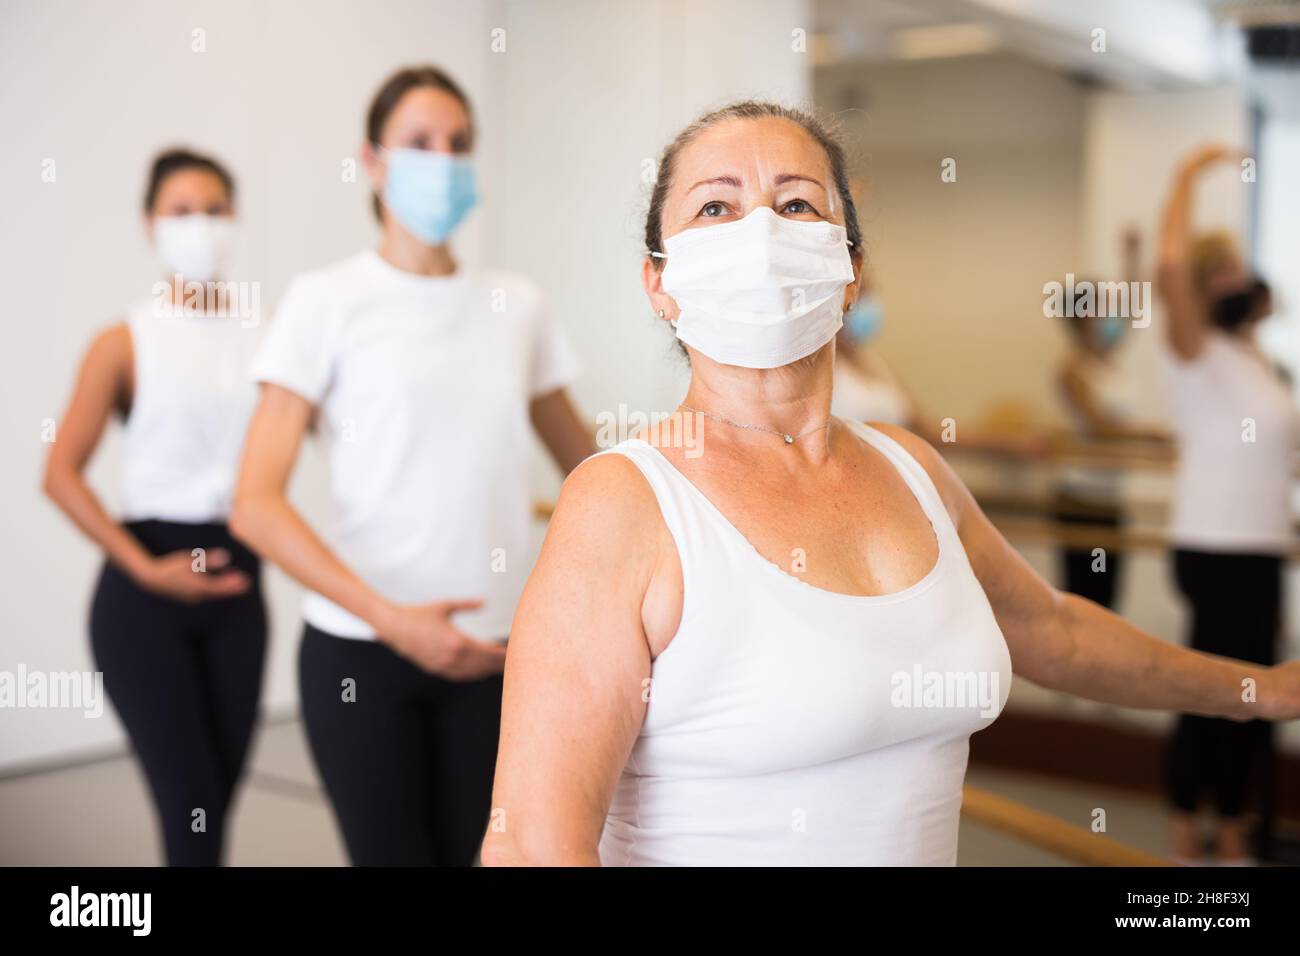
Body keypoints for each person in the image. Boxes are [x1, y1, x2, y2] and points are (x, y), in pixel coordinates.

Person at [480, 102, 1300, 867]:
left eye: (797, 204)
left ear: (850, 269)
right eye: (717, 208)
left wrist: (1258, 689)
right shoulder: (622, 505)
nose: (761, 230)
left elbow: (1055, 633)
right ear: (658, 281)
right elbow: (531, 847)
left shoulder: (915, 470)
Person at [231, 65, 593, 866]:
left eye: (459, 143)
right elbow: (254, 504)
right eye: (419, 142)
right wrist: (393, 620)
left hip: (498, 653)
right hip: (364, 652)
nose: (444, 159)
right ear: (371, 159)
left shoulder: (516, 306)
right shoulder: (325, 300)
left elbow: (594, 471)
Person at [42, 149, 266, 866]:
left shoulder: (271, 335)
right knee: (190, 807)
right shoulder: (123, 341)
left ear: (234, 221)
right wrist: (144, 568)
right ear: (150, 226)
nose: (199, 225)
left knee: (213, 813)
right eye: (180, 211)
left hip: (238, 586)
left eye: (214, 209)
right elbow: (60, 473)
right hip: (145, 597)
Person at [1156, 144, 1300, 865]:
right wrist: (1189, 175)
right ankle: (1190, 824)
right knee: (1214, 689)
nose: (1237, 280)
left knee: (1259, 694)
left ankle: (1238, 824)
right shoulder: (1196, 350)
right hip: (1213, 548)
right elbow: (1171, 268)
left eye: (1239, 268)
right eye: (1223, 272)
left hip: (1263, 547)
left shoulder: (1260, 364)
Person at [1053, 232, 1170, 609]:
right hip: (1080, 499)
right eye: (1098, 308)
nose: (1107, 313)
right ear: (1080, 318)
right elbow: (1098, 425)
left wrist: (1132, 260)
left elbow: (1135, 310)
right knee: (1086, 598)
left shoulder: (1111, 356)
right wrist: (1149, 435)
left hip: (1111, 500)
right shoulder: (1072, 369)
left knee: (1108, 600)